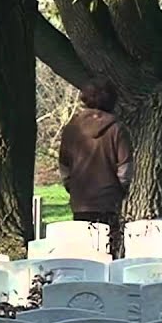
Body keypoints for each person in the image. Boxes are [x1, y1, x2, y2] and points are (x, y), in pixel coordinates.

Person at [58, 78, 133, 258]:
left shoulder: (72, 128)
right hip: (109, 200)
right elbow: (125, 166)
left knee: (85, 253)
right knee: (110, 251)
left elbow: (64, 164)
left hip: (81, 199)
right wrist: (120, 189)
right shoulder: (117, 129)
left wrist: (71, 186)